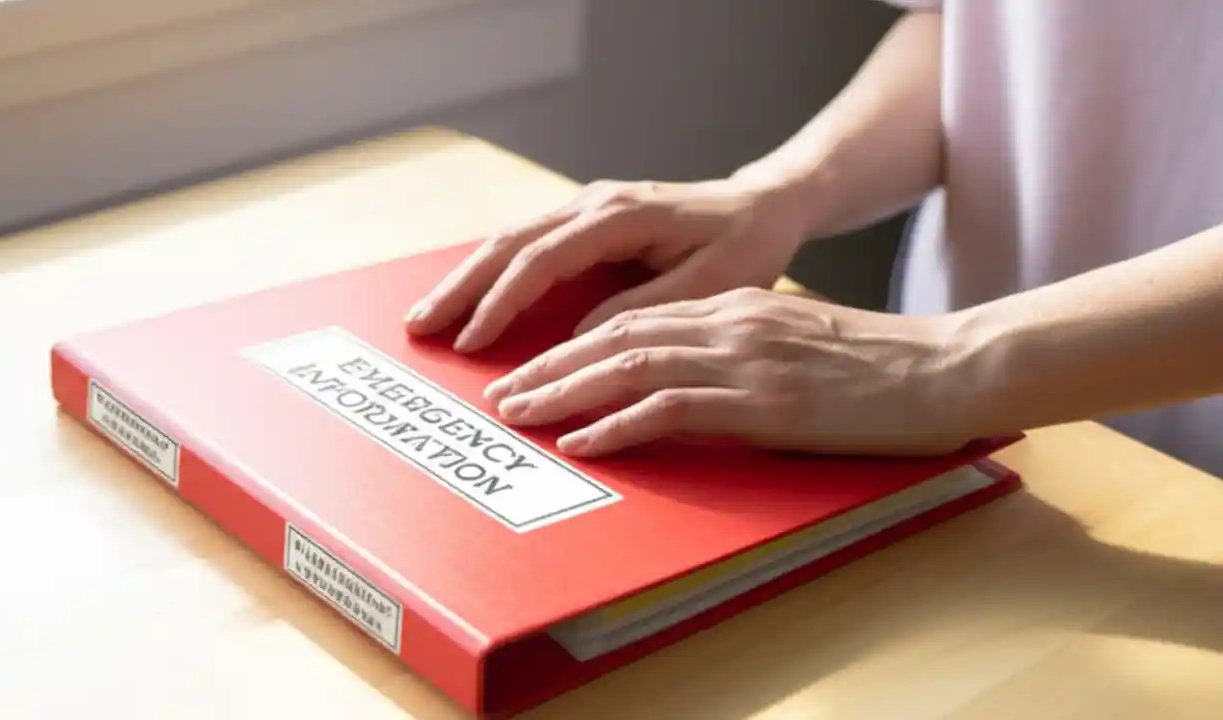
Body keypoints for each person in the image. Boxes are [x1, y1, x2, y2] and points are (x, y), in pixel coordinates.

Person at [404, 1, 1223, 476]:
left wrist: (947, 365)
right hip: (956, 431)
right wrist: (781, 191)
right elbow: (978, 29)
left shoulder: (945, 373)